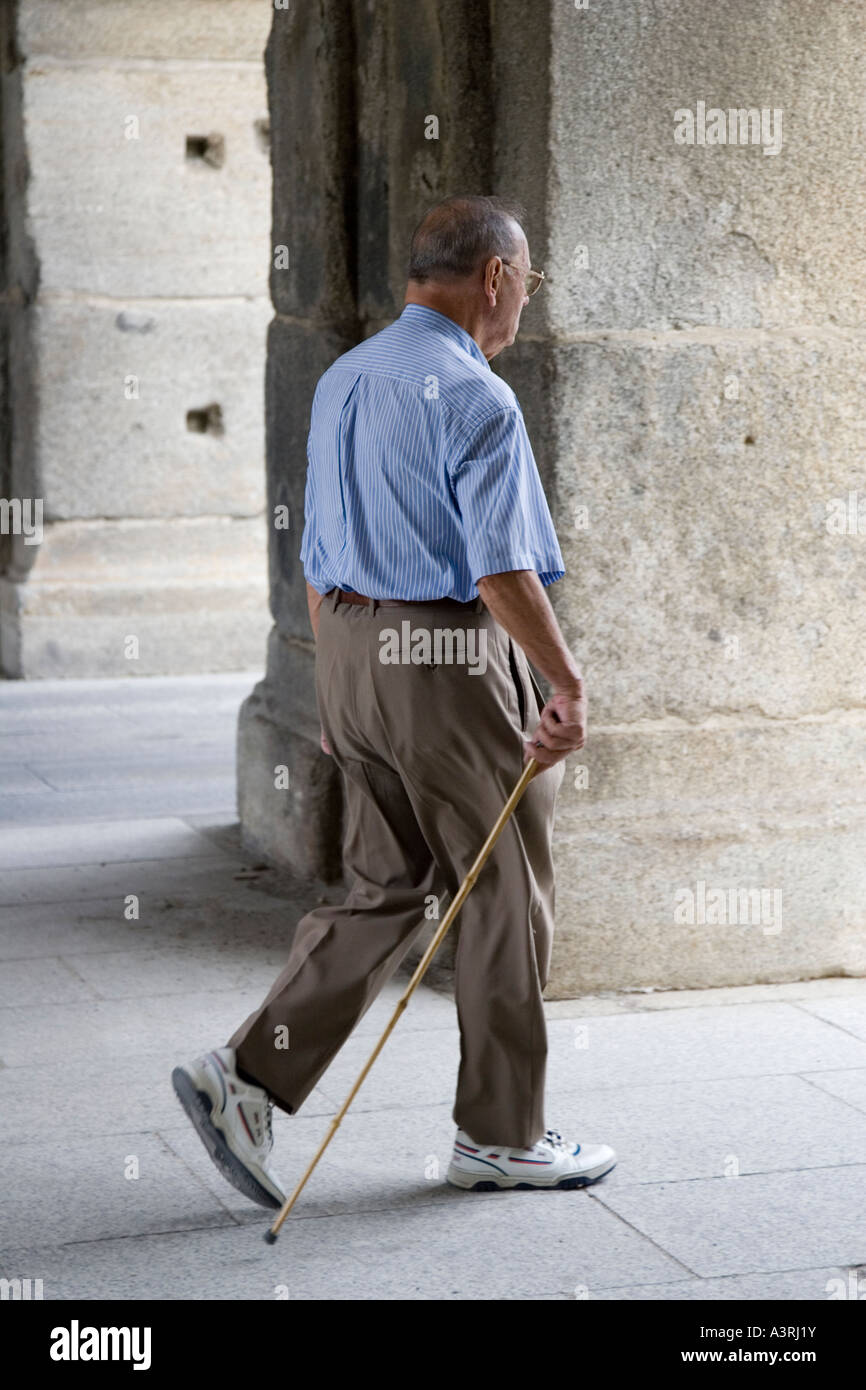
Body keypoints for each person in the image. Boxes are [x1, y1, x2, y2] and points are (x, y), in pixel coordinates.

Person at [172, 195, 616, 1206]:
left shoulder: (344, 377)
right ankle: (501, 1136)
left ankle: (246, 1078)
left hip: (356, 655)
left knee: (385, 888)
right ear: (495, 278)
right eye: (527, 284)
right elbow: (500, 570)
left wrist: (342, 686)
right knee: (503, 885)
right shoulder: (475, 395)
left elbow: (316, 554)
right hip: (446, 661)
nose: (523, 307)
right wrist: (564, 679)